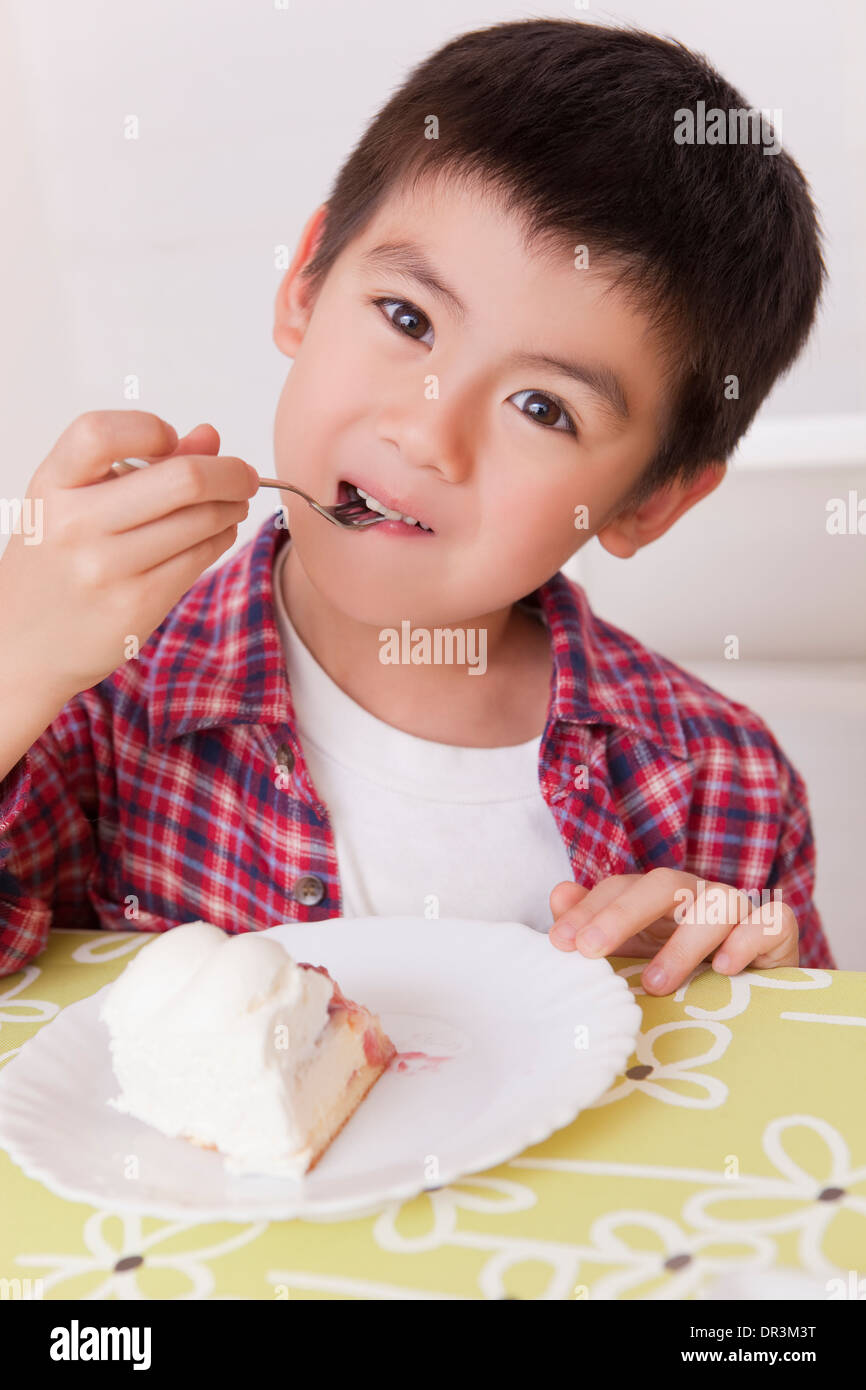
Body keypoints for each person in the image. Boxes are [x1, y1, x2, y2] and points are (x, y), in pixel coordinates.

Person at [0, 19, 835, 992]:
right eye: (408, 319)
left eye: (540, 408)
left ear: (649, 502)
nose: (427, 435)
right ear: (307, 282)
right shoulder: (96, 697)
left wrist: (760, 999)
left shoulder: (722, 786)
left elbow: (802, 1113)